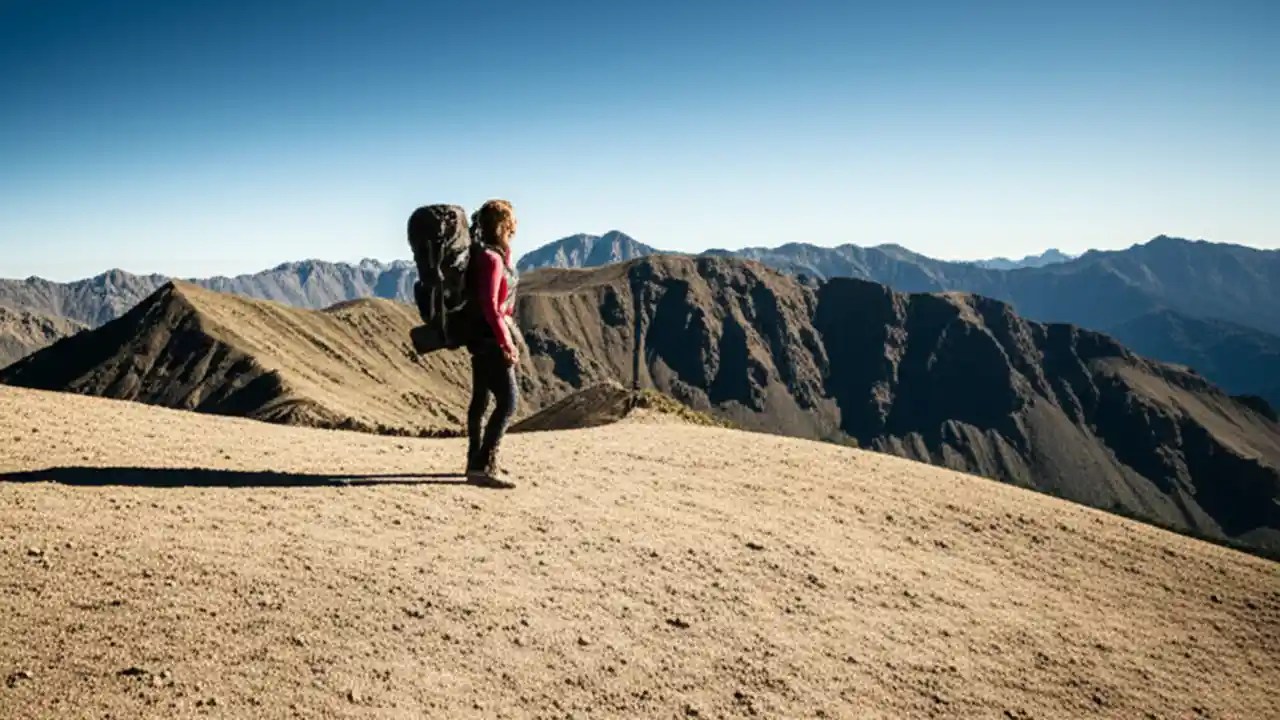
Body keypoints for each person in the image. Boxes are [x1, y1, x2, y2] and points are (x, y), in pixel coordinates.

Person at [465, 199, 521, 487]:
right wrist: (506, 342)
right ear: (503, 225)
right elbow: (492, 306)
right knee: (509, 402)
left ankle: (475, 461)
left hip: (480, 337)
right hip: (491, 338)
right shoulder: (492, 259)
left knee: (482, 400)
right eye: (511, 223)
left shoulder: (484, 255)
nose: (514, 228)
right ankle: (485, 464)